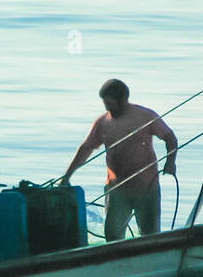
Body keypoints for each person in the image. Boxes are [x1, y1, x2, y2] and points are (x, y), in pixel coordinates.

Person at [59, 79, 178, 239]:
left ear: (123, 100)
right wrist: (67, 176)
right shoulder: (102, 123)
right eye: (105, 104)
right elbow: (86, 149)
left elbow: (170, 138)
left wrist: (170, 163)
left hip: (146, 187)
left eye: (111, 104)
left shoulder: (145, 116)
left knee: (150, 235)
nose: (108, 108)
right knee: (113, 234)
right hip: (117, 189)